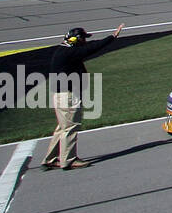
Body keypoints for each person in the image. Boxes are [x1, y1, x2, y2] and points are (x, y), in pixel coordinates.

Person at [42, 24, 123, 170]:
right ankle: (68, 160)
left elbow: (88, 47)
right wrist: (112, 37)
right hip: (67, 96)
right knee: (70, 128)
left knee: (62, 128)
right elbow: (91, 48)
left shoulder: (63, 50)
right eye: (83, 39)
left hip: (60, 95)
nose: (85, 42)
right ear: (76, 40)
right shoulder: (69, 53)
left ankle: (51, 159)